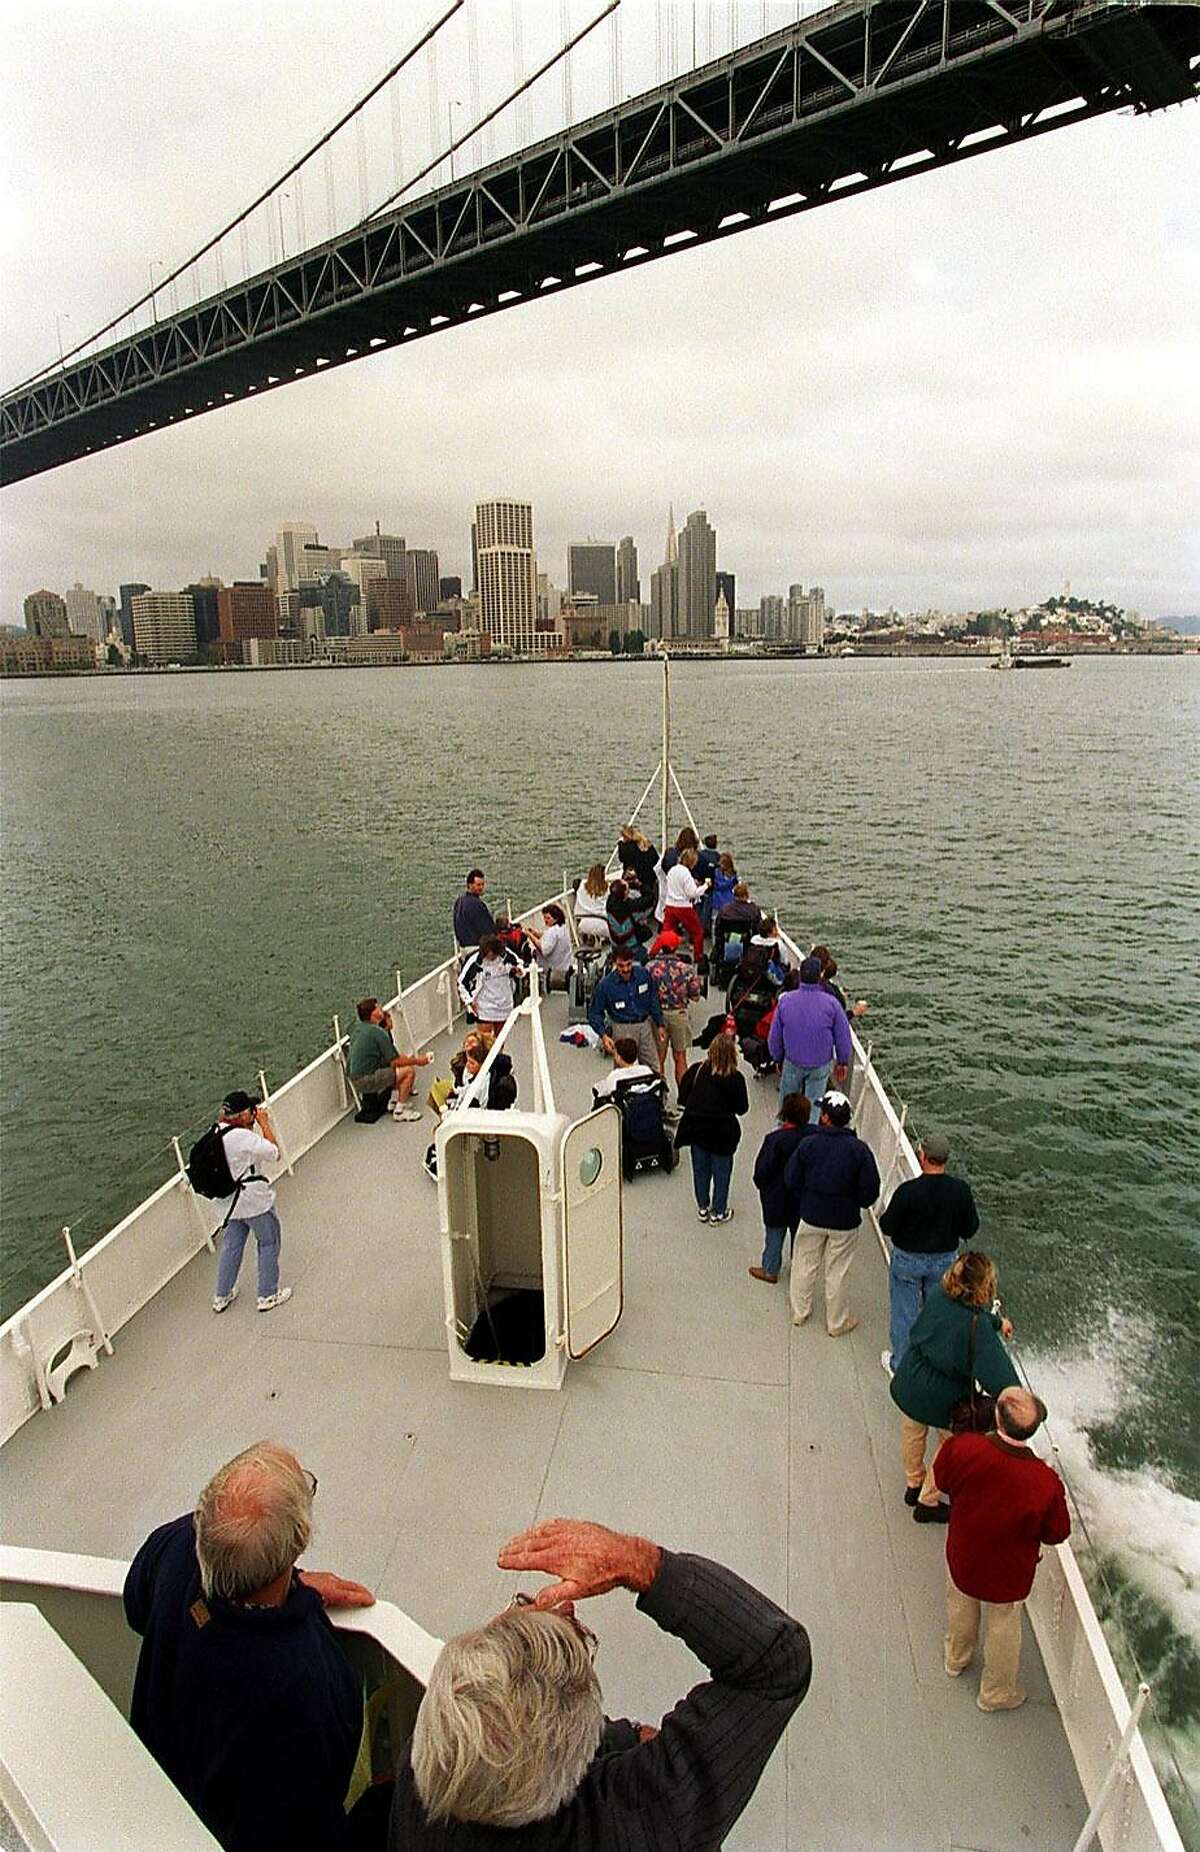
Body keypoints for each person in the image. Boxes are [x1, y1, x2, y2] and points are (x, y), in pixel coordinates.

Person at [388, 1517, 812, 1850]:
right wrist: (638, 1562)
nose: (565, 1607)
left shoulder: (423, 1773)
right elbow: (776, 1661)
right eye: (581, 1640)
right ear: (577, 1750)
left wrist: (622, 1739)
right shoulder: (649, 1826)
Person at [123, 1440, 375, 1852]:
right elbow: (321, 1803)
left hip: (161, 1807)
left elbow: (136, 1608)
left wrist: (294, 1583)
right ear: (300, 1538)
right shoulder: (301, 1678)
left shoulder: (176, 1549)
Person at [937, 1387, 1071, 1711]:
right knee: (1003, 1627)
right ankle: (995, 1693)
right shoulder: (1045, 1481)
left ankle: (956, 1659)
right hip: (1009, 1572)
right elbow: (1057, 1532)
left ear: (997, 1417)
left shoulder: (963, 1448)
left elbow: (942, 1481)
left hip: (964, 1554)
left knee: (961, 1605)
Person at [889, 1250, 1020, 1522]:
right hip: (943, 1398)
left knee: (912, 1432)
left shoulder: (940, 1295)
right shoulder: (979, 1329)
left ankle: (914, 1483)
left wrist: (996, 1323)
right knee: (950, 1446)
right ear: (984, 1288)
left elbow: (970, 1316)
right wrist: (1025, 1407)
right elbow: (1003, 1380)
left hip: (911, 1380)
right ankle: (928, 1501)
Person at [880, 1131, 980, 1376]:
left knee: (904, 1313)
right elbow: (970, 1228)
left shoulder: (908, 1191)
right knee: (938, 1312)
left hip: (908, 1259)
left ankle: (901, 1366)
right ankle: (935, 1363)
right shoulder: (960, 1191)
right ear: (946, 1159)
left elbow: (887, 1226)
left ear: (922, 1156)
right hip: (944, 1261)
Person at [783, 1091, 880, 1336]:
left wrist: (806, 1198)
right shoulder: (860, 1150)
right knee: (837, 1271)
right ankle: (836, 1322)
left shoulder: (809, 1144)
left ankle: (800, 1312)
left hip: (812, 1214)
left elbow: (791, 1178)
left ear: (826, 1117)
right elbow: (870, 1191)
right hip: (844, 1221)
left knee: (804, 1263)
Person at [210, 1090, 291, 1315]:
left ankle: (222, 1295)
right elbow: (274, 1153)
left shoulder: (215, 1132)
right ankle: (267, 1294)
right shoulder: (243, 1137)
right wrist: (264, 1123)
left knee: (232, 1246)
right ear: (243, 1114)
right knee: (268, 1242)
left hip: (229, 1204)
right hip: (253, 1201)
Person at [674, 1032, 749, 1224]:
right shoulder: (736, 1078)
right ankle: (719, 1211)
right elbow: (742, 1109)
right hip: (723, 1135)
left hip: (698, 1132)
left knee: (701, 1171)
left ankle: (702, 1207)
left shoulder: (697, 1071)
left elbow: (683, 1097)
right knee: (722, 1173)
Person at [767, 954, 852, 1121]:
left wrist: (777, 1058)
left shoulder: (785, 1001)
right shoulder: (832, 1004)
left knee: (787, 1103)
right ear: (820, 976)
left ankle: (783, 1128)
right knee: (813, 1105)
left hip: (792, 1061)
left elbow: (774, 1036)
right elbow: (843, 1037)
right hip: (820, 1064)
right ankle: (810, 1131)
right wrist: (842, 1062)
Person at [749, 1092, 815, 1284]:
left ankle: (770, 1270)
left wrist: (762, 1186)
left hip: (776, 1197)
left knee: (774, 1233)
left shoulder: (775, 1140)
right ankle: (798, 1269)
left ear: (784, 1113)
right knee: (799, 1236)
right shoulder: (813, 1137)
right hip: (802, 1197)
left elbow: (762, 1171)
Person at [595, 1038, 674, 1179]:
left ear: (619, 1057)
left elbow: (602, 1093)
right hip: (649, 1114)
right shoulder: (647, 1071)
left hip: (629, 1118)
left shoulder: (615, 1077)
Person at [347, 997, 432, 1124]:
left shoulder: (357, 1027)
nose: (381, 1009)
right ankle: (400, 1111)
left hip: (354, 1077)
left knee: (396, 1069)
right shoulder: (378, 1032)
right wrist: (418, 1061)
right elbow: (395, 1061)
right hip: (365, 1080)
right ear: (373, 1013)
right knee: (408, 1071)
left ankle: (393, 1101)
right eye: (378, 1007)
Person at [588, 947, 664, 1074]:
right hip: (622, 1029)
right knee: (622, 1070)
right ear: (614, 964)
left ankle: (656, 1086)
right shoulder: (605, 985)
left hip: (644, 1026)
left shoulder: (644, 975)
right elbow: (595, 1013)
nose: (626, 969)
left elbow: (653, 999)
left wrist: (660, 1024)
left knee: (653, 1067)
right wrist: (603, 1035)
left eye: (628, 964)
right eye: (621, 966)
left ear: (633, 961)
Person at [646, 928, 702, 1090]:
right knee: (680, 1057)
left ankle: (659, 1094)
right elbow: (695, 995)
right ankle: (683, 1096)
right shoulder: (686, 969)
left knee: (659, 1058)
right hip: (679, 1015)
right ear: (676, 947)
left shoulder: (650, 968)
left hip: (657, 1018)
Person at [457, 933, 523, 1043]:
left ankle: (498, 1054)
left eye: (493, 953)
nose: (491, 956)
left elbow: (519, 964)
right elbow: (461, 983)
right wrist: (469, 1001)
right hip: (484, 1007)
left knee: (499, 1041)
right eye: (488, 953)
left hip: (504, 1005)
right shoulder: (475, 962)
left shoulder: (506, 955)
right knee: (483, 1041)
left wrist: (519, 971)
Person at [660, 847, 708, 961]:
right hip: (683, 907)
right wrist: (705, 886)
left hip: (670, 905)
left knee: (666, 932)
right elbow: (692, 893)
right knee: (698, 932)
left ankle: (659, 954)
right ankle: (698, 957)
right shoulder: (686, 873)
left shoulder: (672, 870)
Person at [523, 904, 574, 989]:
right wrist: (535, 934)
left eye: (548, 918)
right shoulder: (562, 928)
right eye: (544, 918)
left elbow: (544, 950)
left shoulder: (552, 932)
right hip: (564, 965)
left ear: (556, 918)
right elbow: (549, 939)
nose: (545, 920)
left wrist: (529, 935)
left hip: (553, 969)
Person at [713, 882, 762, 968]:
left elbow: (718, 930)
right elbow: (758, 929)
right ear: (746, 895)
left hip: (726, 942)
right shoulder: (754, 910)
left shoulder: (724, 910)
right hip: (746, 944)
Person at [616, 825, 659, 911]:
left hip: (635, 881)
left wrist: (620, 843)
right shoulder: (647, 844)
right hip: (649, 880)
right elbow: (656, 859)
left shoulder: (626, 847)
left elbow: (621, 857)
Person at [453, 869, 495, 949]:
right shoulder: (477, 905)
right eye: (478, 885)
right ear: (470, 885)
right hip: (477, 947)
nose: (481, 887)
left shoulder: (459, 902)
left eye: (483, 884)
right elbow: (487, 930)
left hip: (463, 947)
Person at [605, 877, 646, 958]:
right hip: (632, 946)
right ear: (624, 893)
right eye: (627, 889)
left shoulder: (609, 905)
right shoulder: (632, 907)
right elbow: (642, 919)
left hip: (616, 945)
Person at [573, 863, 611, 943]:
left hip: (583, 922)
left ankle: (590, 937)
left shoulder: (580, 885)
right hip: (602, 923)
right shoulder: (607, 889)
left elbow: (575, 883)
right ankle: (603, 938)